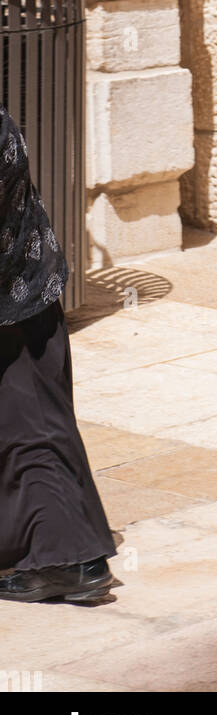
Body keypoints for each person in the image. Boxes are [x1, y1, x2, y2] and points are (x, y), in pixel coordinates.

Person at [0, 102, 116, 602]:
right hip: (28, 289)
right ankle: (63, 555)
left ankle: (67, 560)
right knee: (37, 424)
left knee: (30, 431)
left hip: (17, 299)